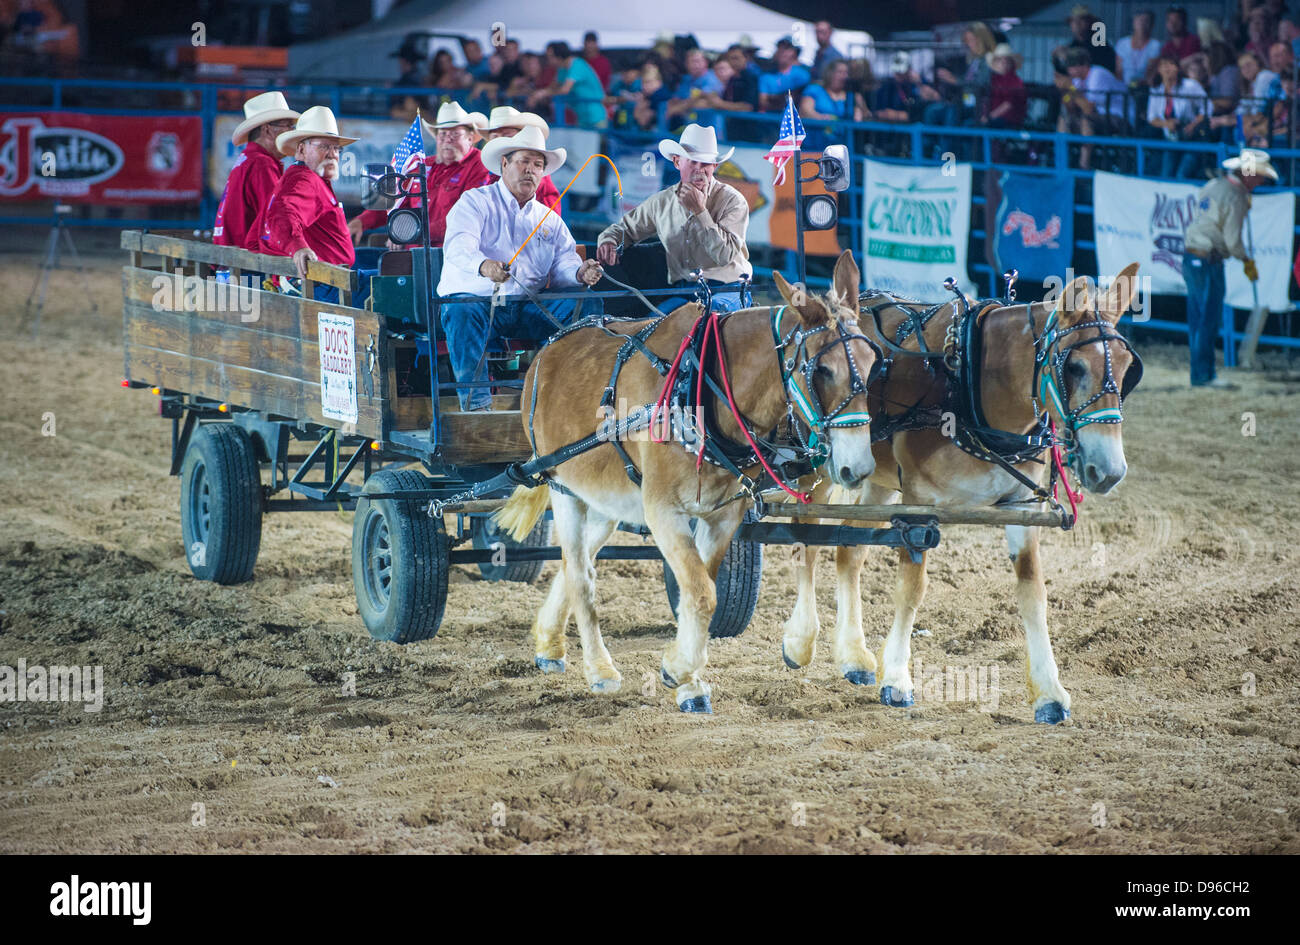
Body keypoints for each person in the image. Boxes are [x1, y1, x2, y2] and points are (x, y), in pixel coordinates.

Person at [438, 126, 604, 411]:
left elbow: (564, 261)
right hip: (478, 302)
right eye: (524, 162)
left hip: (527, 304)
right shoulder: (475, 202)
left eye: (538, 165)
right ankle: (476, 406)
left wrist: (579, 272)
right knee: (462, 309)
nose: (531, 170)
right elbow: (458, 245)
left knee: (587, 303)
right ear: (505, 164)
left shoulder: (548, 219)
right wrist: (484, 265)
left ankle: (569, 397)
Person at [596, 124, 752, 311]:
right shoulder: (662, 202)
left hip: (729, 288)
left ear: (714, 167)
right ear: (678, 162)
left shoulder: (732, 200)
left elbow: (725, 256)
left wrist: (700, 212)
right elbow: (624, 229)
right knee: (654, 329)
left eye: (705, 164)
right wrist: (609, 240)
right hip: (684, 291)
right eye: (693, 162)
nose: (699, 170)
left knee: (712, 318)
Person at [248, 106, 364, 304]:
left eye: (336, 148)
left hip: (324, 281)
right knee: (391, 282)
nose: (333, 154)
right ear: (301, 150)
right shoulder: (305, 179)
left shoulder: (304, 178)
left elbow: (260, 232)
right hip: (325, 287)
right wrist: (298, 247)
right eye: (324, 147)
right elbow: (282, 213)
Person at [1182, 148, 1277, 386]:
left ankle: (1199, 373)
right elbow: (1233, 240)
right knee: (1209, 319)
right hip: (1209, 259)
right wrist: (1246, 260)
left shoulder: (1214, 184)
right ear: (1248, 174)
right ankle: (1203, 375)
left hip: (1192, 255)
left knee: (1198, 318)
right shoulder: (1236, 196)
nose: (1261, 181)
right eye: (1259, 176)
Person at [348, 100, 490, 249]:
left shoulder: (479, 166)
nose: (448, 139)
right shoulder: (421, 165)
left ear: (470, 138)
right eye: (442, 134)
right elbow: (396, 200)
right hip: (413, 255)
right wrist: (361, 222)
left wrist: (409, 233)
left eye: (455, 134)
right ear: (436, 138)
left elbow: (466, 218)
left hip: (454, 254)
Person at [213, 91, 299, 249]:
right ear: (267, 130)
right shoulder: (262, 164)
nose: (291, 132)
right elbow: (276, 216)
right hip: (244, 263)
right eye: (287, 126)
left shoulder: (249, 158)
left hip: (230, 259)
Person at [477, 106, 563, 214]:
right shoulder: (489, 175)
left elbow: (549, 225)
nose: (501, 141)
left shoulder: (537, 178)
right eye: (495, 137)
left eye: (507, 136)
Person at [1057, 47, 1129, 168]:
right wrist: (1065, 91)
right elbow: (1071, 108)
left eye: (1072, 65)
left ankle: (1083, 167)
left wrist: (1072, 89)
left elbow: (1089, 109)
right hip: (1100, 119)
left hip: (1119, 117)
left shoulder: (1097, 75)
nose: (1069, 70)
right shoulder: (1077, 81)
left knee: (1087, 120)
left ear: (1084, 65)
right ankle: (1062, 164)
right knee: (1064, 119)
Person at [1145, 55, 1210, 177]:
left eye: (1171, 64)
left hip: (1192, 140)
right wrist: (1166, 124)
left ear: (1178, 68)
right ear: (1159, 69)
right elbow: (1151, 117)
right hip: (1172, 140)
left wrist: (1193, 124)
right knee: (1166, 174)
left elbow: (1207, 107)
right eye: (1163, 65)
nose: (1167, 68)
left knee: (1182, 174)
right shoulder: (1156, 90)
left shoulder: (1190, 86)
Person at [530, 41, 607, 128]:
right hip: (581, 118)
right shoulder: (561, 69)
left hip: (596, 118)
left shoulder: (577, 65)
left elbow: (564, 90)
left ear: (559, 56)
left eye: (550, 57)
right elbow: (552, 87)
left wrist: (542, 94)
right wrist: (537, 94)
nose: (547, 60)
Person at [874, 51, 937, 123]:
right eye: (896, 71)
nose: (898, 74)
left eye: (901, 71)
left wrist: (919, 84)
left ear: (909, 70)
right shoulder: (888, 87)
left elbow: (935, 98)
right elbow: (878, 111)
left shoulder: (918, 83)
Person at [758, 36, 812, 110]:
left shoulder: (803, 75)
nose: (782, 51)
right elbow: (763, 101)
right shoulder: (766, 76)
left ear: (795, 53)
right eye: (780, 48)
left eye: (787, 48)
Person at [1116, 10, 1162, 84]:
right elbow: (1119, 71)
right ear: (1133, 22)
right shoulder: (1122, 43)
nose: (1142, 24)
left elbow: (1150, 72)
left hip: (1144, 88)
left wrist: (1138, 84)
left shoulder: (1155, 45)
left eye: (1146, 21)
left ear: (1152, 25)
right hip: (1123, 88)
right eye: (1139, 20)